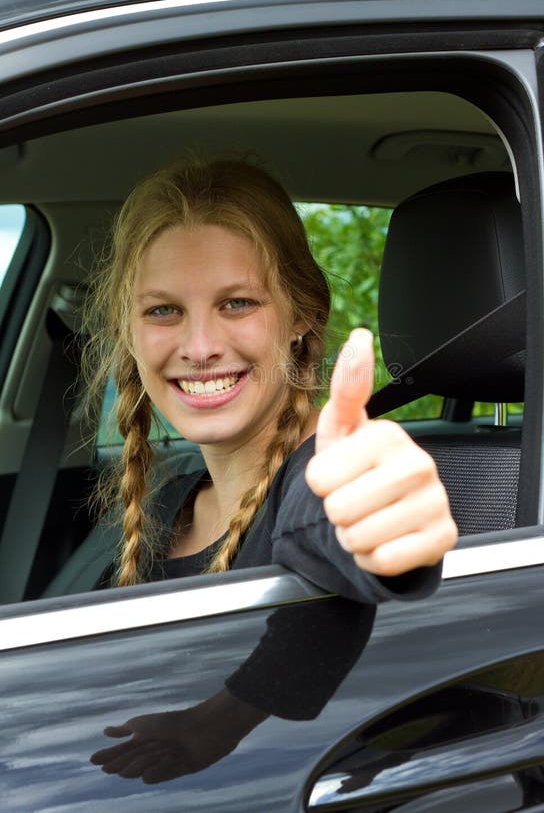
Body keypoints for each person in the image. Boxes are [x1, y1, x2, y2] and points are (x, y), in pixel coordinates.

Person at [84, 157, 457, 601]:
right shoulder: (168, 507)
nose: (200, 347)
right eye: (163, 310)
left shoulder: (319, 478)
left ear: (302, 314)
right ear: (128, 331)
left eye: (237, 303)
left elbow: (332, 522)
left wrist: (386, 527)